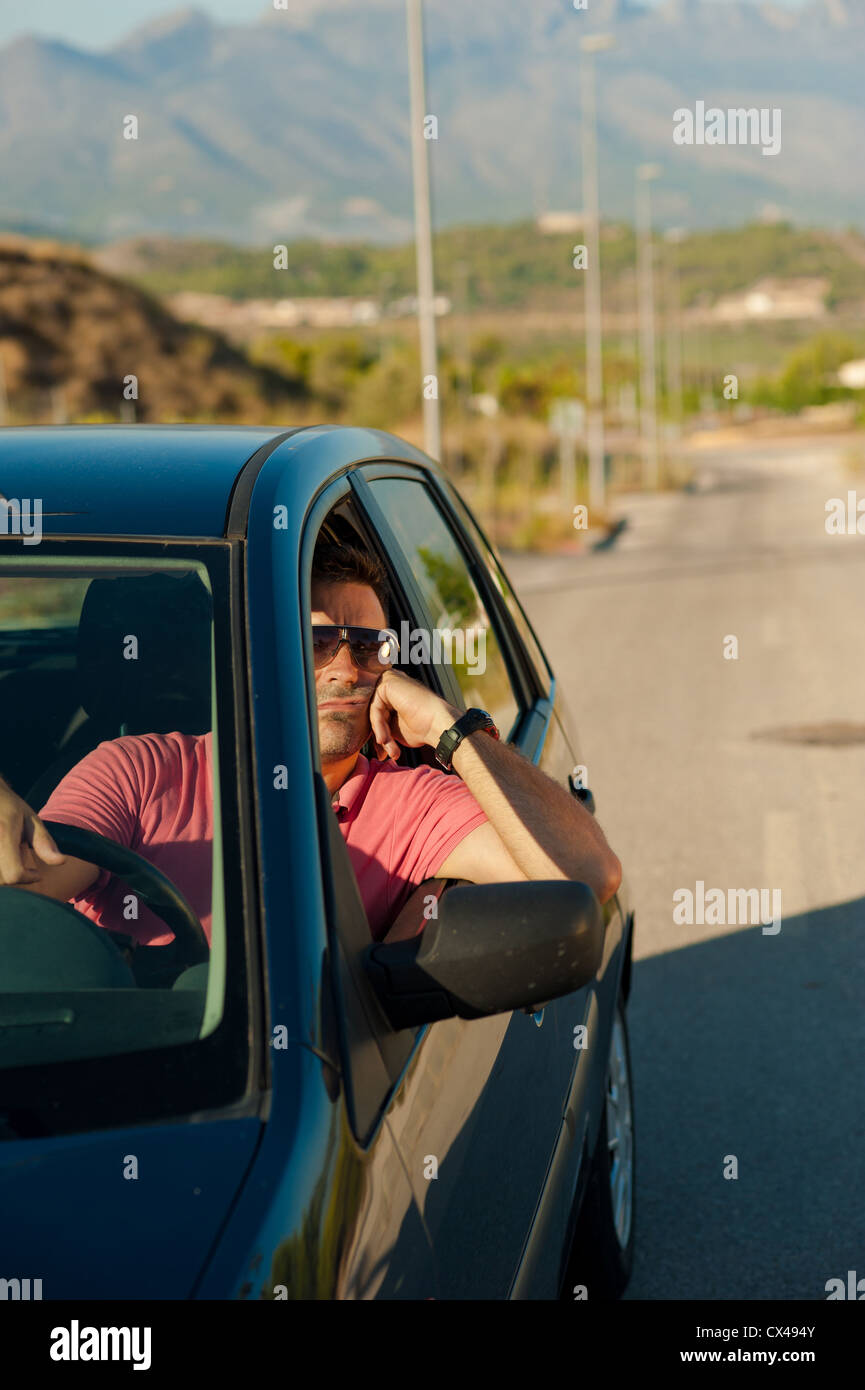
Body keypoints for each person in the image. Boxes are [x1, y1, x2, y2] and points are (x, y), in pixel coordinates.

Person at [0, 544, 621, 947]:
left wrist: (447, 727)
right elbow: (32, 883)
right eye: (319, 643)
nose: (347, 671)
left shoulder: (411, 804)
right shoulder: (138, 770)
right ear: (260, 656)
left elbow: (588, 877)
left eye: (370, 646)